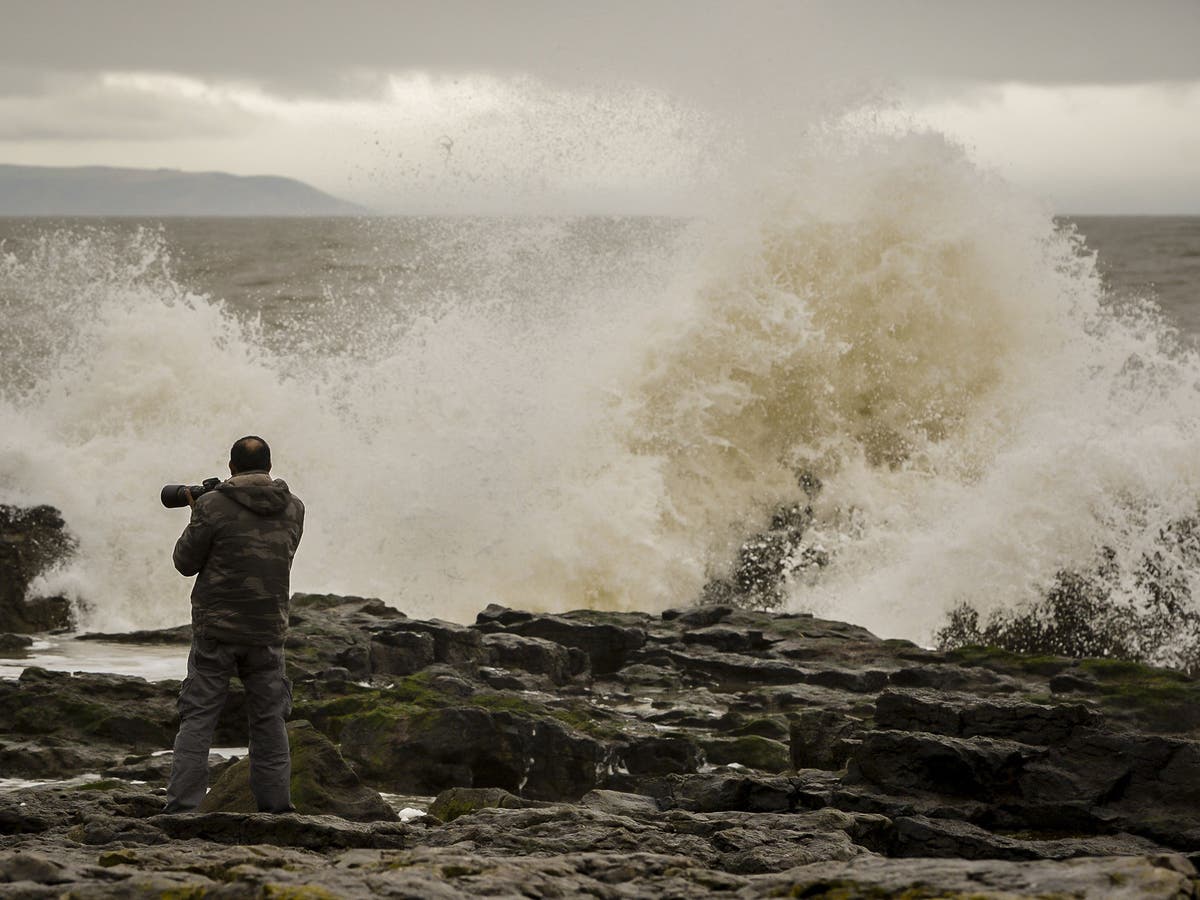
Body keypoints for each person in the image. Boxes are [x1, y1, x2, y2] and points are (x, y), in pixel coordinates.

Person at [164, 435, 305, 813]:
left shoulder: (212, 506)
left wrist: (199, 511)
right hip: (268, 630)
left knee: (199, 718)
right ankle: (276, 809)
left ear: (231, 467)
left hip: (217, 630)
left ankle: (183, 808)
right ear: (269, 468)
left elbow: (184, 562)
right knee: (269, 719)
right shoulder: (294, 508)